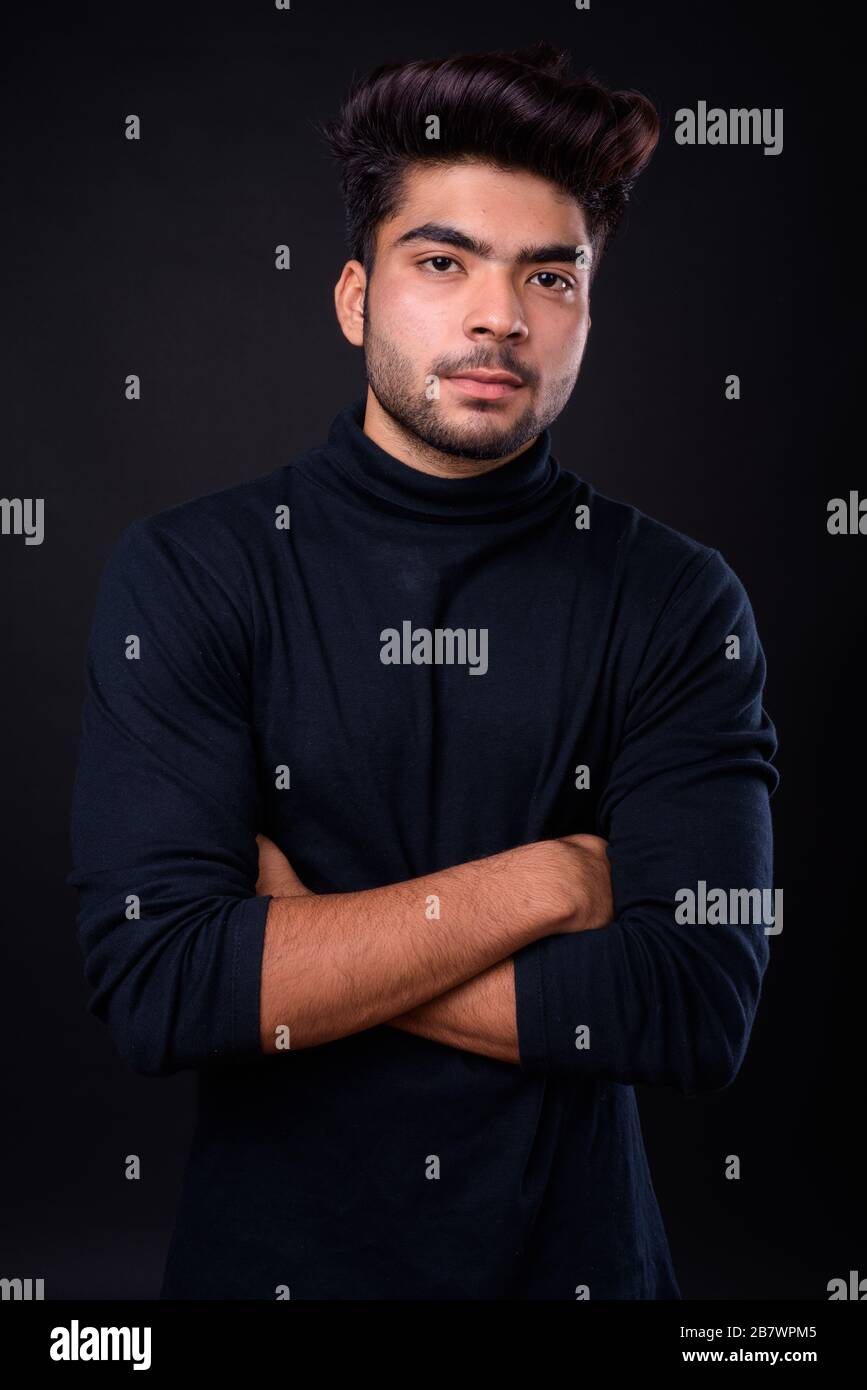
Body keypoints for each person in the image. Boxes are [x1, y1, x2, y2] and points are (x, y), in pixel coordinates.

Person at [67, 40, 779, 1300]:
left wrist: (300, 943)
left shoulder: (674, 599)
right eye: (443, 261)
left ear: (587, 310)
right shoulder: (193, 573)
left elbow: (691, 1008)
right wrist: (549, 882)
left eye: (549, 274)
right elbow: (162, 985)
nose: (500, 315)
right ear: (355, 298)